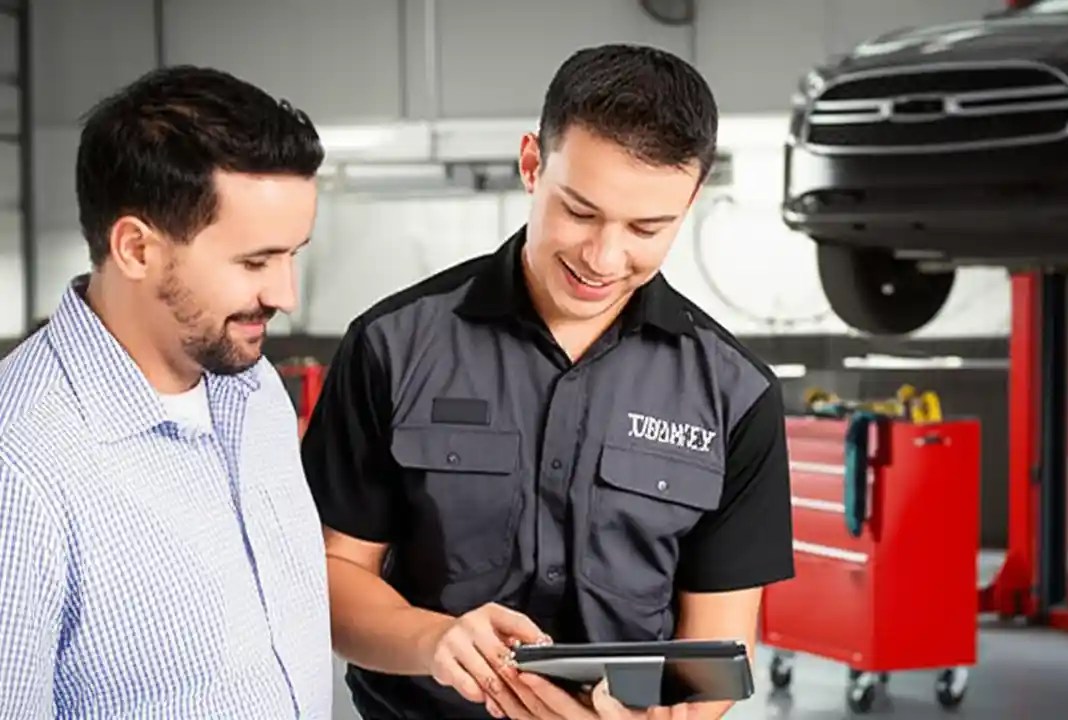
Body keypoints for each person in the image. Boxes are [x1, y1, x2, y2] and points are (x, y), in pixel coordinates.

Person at [302, 43, 795, 720]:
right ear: (532, 164)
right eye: (581, 212)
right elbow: (332, 579)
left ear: (691, 200)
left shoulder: (736, 395)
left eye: (648, 227)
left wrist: (666, 715)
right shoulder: (391, 346)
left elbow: (719, 648)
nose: (604, 258)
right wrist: (437, 641)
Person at [0, 65, 333, 718]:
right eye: (255, 261)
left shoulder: (255, 389)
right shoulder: (20, 467)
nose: (285, 295)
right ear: (135, 249)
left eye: (293, 254)